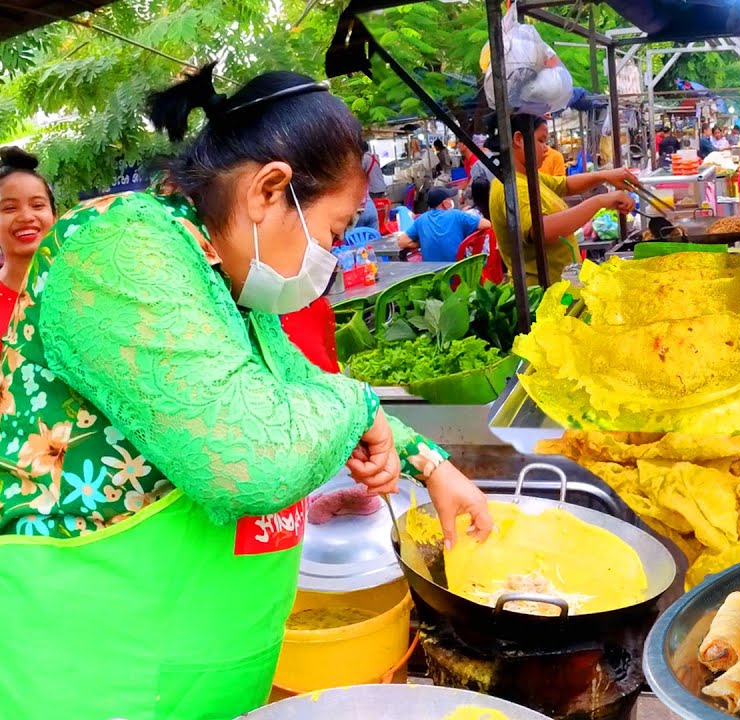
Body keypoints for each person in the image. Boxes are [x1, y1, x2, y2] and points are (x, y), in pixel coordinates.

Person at [0, 64, 492, 720]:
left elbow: (301, 383)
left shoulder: (219, 272)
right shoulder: (116, 249)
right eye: (333, 233)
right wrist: (360, 408)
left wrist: (429, 464)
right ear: (269, 189)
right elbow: (247, 464)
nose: (329, 259)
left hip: (198, 672)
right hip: (101, 678)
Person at [489, 114, 636, 286]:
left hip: (561, 287)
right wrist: (599, 201)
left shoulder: (529, 177)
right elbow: (542, 230)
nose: (546, 148)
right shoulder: (511, 186)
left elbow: (565, 185)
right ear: (519, 139)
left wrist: (605, 175)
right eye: (541, 140)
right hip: (541, 293)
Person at [0, 147, 56, 332]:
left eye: (37, 205)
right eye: (9, 208)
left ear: (54, 216)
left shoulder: (84, 285)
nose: (26, 217)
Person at [395, 186, 490, 262]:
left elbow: (402, 242)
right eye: (449, 198)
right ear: (445, 203)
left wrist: (420, 244)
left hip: (432, 276)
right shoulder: (456, 214)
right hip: (458, 272)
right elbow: (487, 224)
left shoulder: (421, 219)